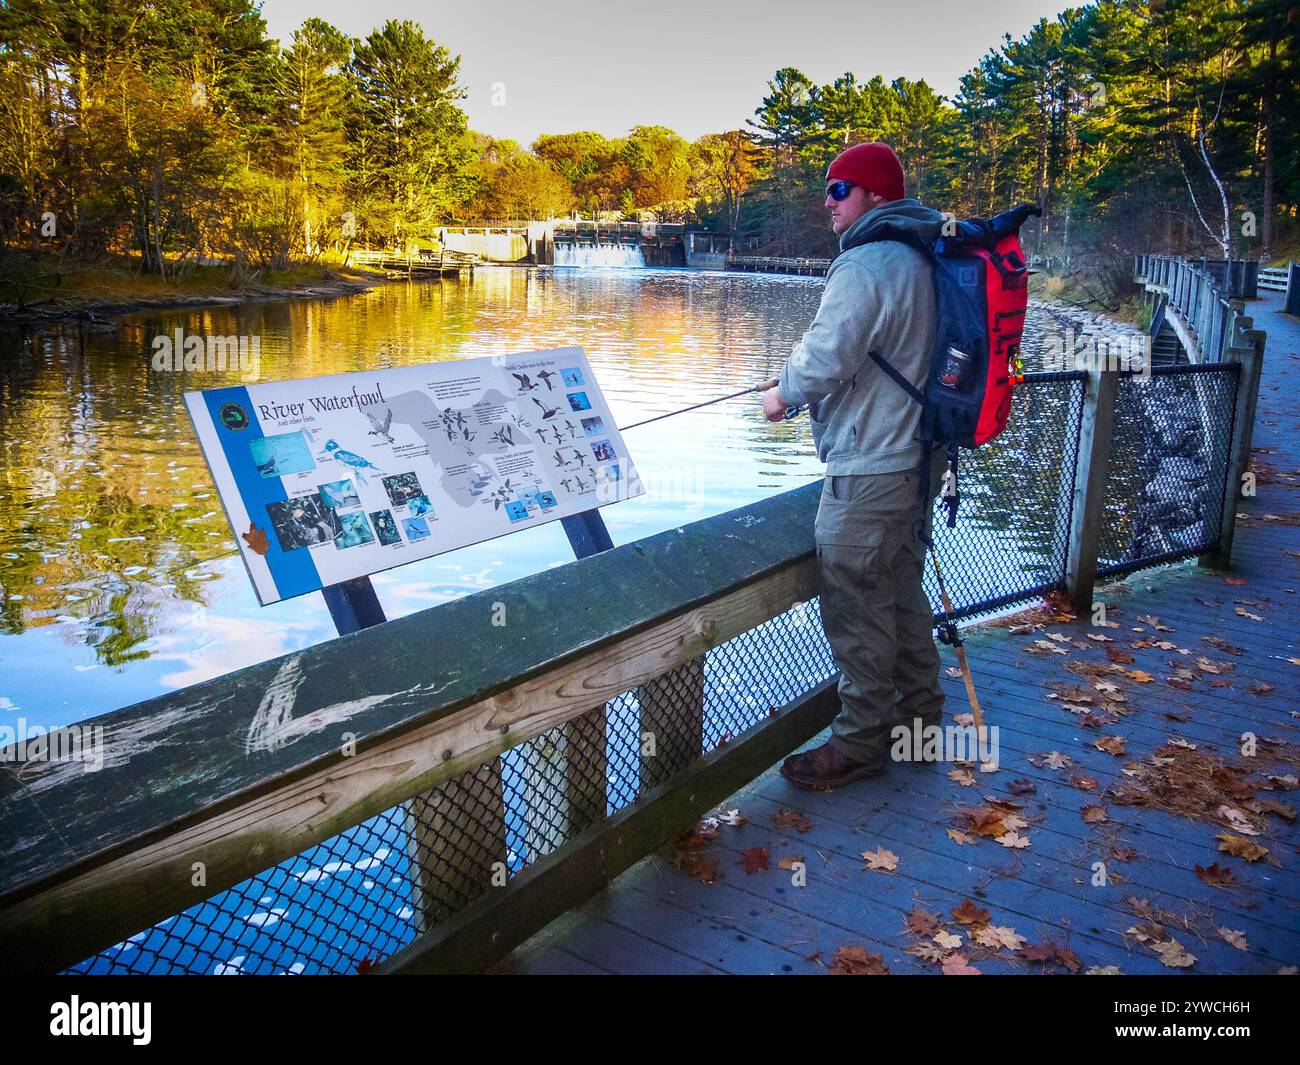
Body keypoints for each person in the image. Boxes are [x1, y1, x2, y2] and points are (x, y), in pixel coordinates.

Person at [759, 141, 947, 789]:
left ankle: (862, 741)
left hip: (872, 467)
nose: (828, 201)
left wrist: (782, 394)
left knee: (857, 603)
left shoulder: (867, 264)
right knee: (900, 593)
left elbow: (827, 354)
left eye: (840, 188)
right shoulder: (925, 254)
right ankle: (920, 723)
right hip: (921, 460)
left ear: (873, 195)